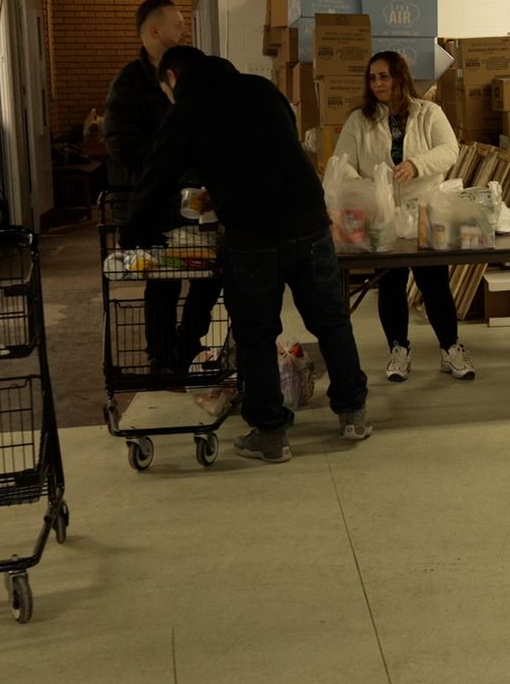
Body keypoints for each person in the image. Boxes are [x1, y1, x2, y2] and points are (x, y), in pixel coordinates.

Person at [124, 46, 371, 463]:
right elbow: (274, 147)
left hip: (254, 234)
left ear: (171, 78)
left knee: (256, 333)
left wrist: (135, 234)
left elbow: (157, 175)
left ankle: (271, 433)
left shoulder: (186, 108)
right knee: (330, 319)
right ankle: (353, 413)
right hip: (309, 221)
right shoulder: (260, 87)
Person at [330, 51, 474, 382]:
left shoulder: (429, 113)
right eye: (372, 78)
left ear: (400, 77)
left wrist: (416, 164)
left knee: (434, 283)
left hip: (424, 211)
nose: (378, 83)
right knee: (390, 284)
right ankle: (398, 350)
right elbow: (343, 159)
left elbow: (449, 149)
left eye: (384, 76)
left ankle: (450, 348)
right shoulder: (359, 120)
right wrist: (360, 185)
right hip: (382, 216)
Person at [103, 0, 220, 375]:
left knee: (211, 273)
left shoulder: (194, 73)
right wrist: (165, 167)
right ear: (154, 31)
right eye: (177, 24)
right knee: (162, 282)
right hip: (151, 200)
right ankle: (162, 357)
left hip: (197, 198)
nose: (183, 30)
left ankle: (189, 342)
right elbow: (121, 144)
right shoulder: (129, 82)